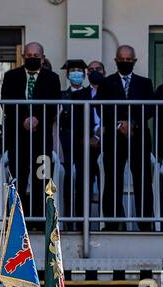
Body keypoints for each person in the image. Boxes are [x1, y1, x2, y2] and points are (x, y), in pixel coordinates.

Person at [1, 42, 61, 222]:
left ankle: (38, 219)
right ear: (23, 56)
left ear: (42, 57)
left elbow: (53, 106)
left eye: (36, 55)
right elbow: (7, 103)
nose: (32, 58)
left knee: (41, 179)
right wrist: (23, 120)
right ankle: (17, 219)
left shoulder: (52, 78)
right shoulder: (11, 76)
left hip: (42, 138)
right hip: (18, 138)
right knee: (18, 178)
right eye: (29, 55)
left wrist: (38, 120)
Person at [98, 45, 154, 229]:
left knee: (143, 181)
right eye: (122, 59)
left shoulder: (145, 83)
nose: (125, 62)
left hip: (139, 138)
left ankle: (145, 223)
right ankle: (113, 223)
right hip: (114, 139)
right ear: (115, 61)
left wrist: (133, 123)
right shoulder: (106, 83)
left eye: (128, 60)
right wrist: (119, 124)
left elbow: (150, 108)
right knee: (113, 180)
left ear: (135, 61)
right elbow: (102, 107)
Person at [58, 58, 97, 220]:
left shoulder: (91, 94)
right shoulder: (62, 96)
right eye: (72, 71)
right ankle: (67, 220)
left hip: (87, 144)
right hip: (67, 143)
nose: (76, 74)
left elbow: (96, 119)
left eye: (79, 71)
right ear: (67, 75)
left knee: (84, 182)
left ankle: (83, 220)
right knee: (67, 182)